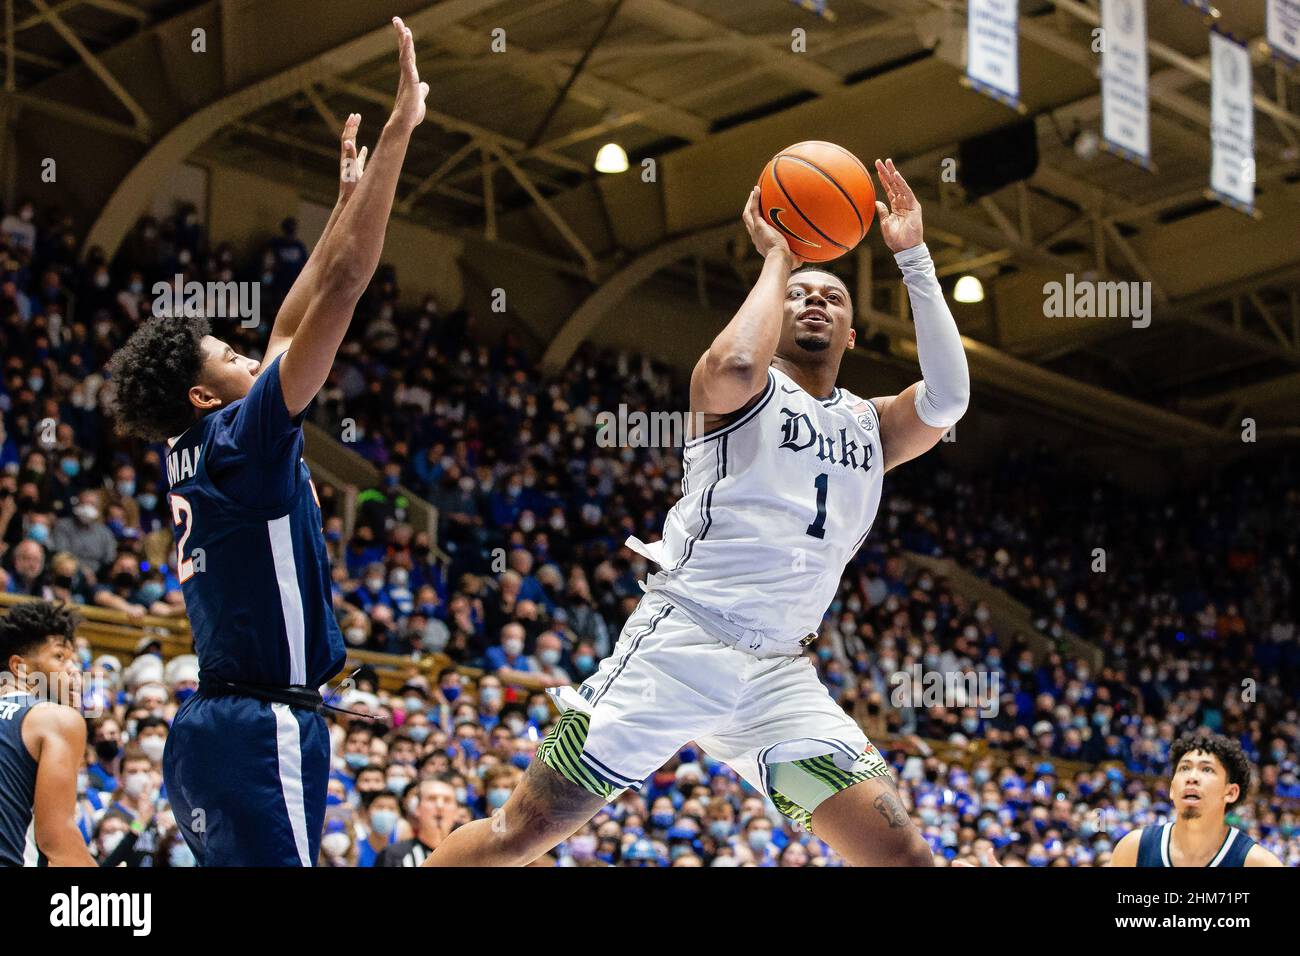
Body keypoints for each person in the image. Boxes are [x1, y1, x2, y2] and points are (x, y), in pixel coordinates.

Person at [424, 159, 968, 867]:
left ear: (852, 333)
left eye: (832, 297)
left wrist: (914, 258)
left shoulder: (874, 425)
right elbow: (737, 363)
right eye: (798, 295)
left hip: (778, 672)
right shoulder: (739, 392)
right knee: (520, 833)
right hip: (683, 646)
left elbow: (950, 397)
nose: (814, 302)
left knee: (903, 854)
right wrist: (778, 257)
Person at [103, 18, 429, 866]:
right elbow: (344, 288)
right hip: (257, 726)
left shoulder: (201, 442)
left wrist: (346, 202)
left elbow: (292, 317)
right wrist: (401, 131)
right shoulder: (241, 439)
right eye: (231, 356)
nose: (254, 357)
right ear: (203, 393)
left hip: (219, 726)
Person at [0, 599, 96, 865]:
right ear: (20, 668)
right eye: (60, 657)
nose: (74, 671)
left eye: (75, 661)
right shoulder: (53, 719)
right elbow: (56, 840)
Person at [1110, 732, 1282, 867]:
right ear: (1172, 789)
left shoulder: (1258, 862)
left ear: (1230, 792)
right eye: (1184, 768)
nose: (1191, 777)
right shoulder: (1134, 848)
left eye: (1207, 769)